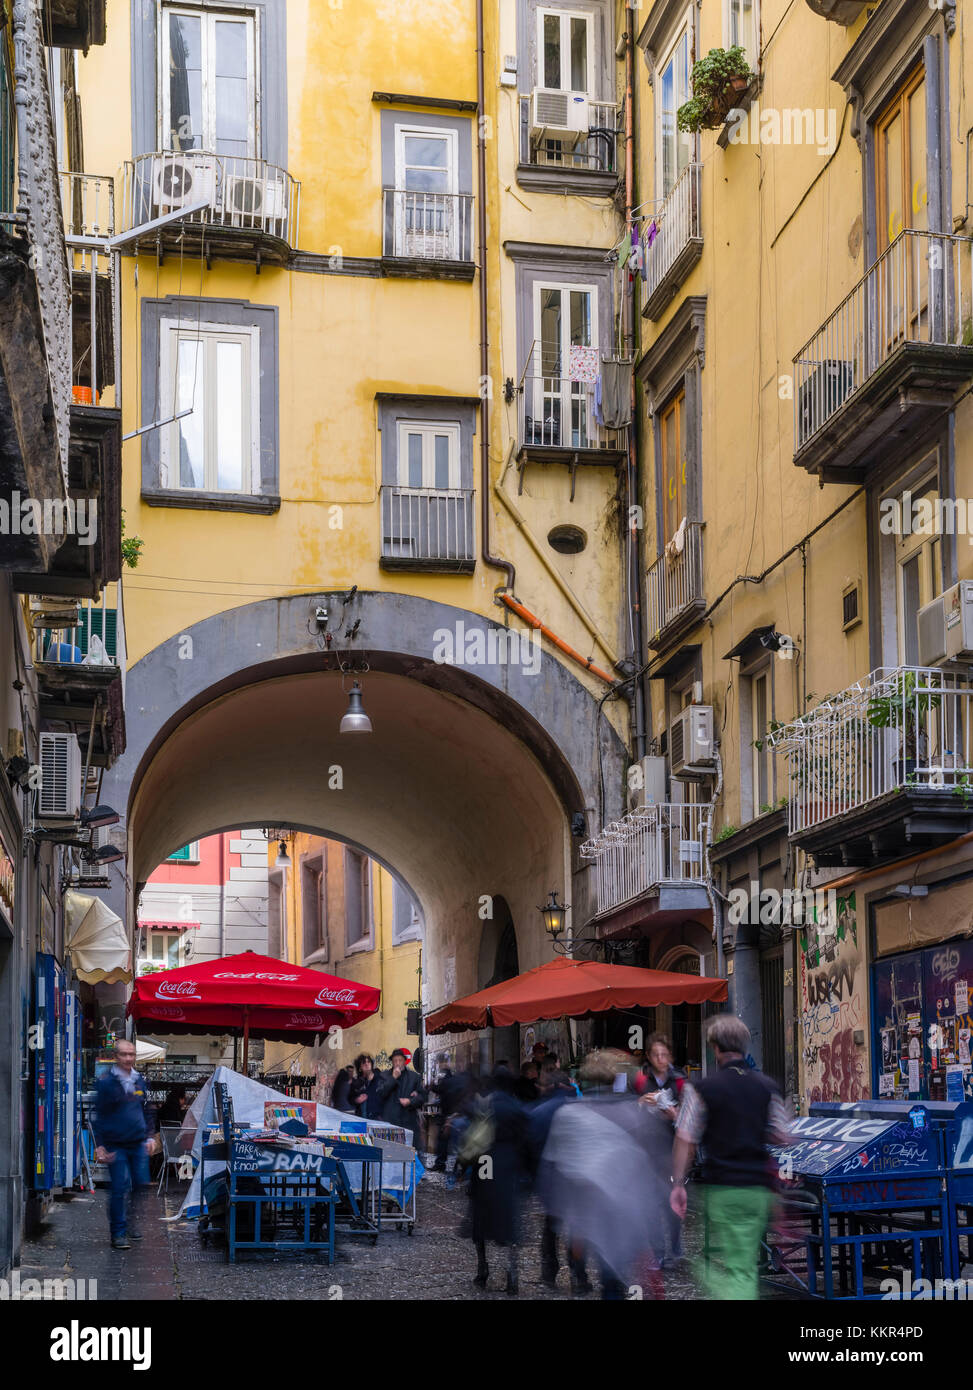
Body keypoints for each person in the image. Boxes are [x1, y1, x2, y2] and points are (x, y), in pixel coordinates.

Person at [670, 1014, 794, 1300]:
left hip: (723, 1187)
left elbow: (685, 1140)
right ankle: (724, 1283)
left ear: (715, 1048)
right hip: (757, 1189)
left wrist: (678, 1183)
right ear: (744, 1048)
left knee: (736, 1267)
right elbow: (781, 1135)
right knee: (745, 1264)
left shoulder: (700, 1089)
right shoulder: (767, 1086)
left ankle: (707, 1275)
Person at [464, 1066, 530, 1295]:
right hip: (507, 1166)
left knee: (481, 1219)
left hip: (484, 1165)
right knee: (508, 1221)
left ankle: (483, 1269)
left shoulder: (484, 1106)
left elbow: (470, 1136)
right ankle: (512, 1273)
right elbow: (525, 1142)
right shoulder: (516, 1108)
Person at [93, 1039, 158, 1250]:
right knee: (119, 1187)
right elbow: (99, 1115)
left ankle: (129, 1220)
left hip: (138, 1142)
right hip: (116, 1143)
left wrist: (150, 1136)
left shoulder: (140, 1081)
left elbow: (148, 1110)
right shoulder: (106, 1083)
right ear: (116, 1056)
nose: (129, 1058)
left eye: (132, 1054)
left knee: (141, 1184)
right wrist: (100, 1145)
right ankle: (118, 1232)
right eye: (124, 1054)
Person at [527, 1070, 587, 1292]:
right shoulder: (582, 1110)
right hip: (577, 1177)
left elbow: (530, 1147)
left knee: (551, 1227)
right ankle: (579, 1273)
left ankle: (549, 1272)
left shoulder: (538, 1112)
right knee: (577, 1228)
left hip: (551, 1179)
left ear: (550, 1087)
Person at [638, 1033, 686, 1261]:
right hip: (646, 1151)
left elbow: (692, 1119)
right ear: (648, 1056)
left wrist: (675, 1115)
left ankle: (675, 1249)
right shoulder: (639, 1080)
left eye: (664, 1054)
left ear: (670, 1056)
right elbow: (626, 1112)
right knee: (649, 1204)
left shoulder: (680, 1081)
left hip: (672, 1151)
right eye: (656, 1054)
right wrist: (640, 1104)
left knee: (672, 1203)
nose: (660, 1059)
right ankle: (657, 1251)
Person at [378, 1047, 426, 1147]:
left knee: (410, 1153)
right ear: (392, 1062)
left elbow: (423, 1097)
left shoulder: (414, 1077)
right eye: (395, 1060)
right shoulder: (384, 1076)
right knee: (391, 1152)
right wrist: (393, 1078)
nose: (398, 1063)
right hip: (391, 1123)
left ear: (405, 1061)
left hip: (409, 1122)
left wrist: (410, 1101)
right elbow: (381, 1093)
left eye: (400, 1060)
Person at [349, 1053, 384, 1119]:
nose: (367, 1064)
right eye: (364, 1063)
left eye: (368, 1062)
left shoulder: (379, 1078)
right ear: (360, 1068)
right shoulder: (356, 1083)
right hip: (361, 1119)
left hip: (377, 1119)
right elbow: (350, 1098)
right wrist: (356, 1100)